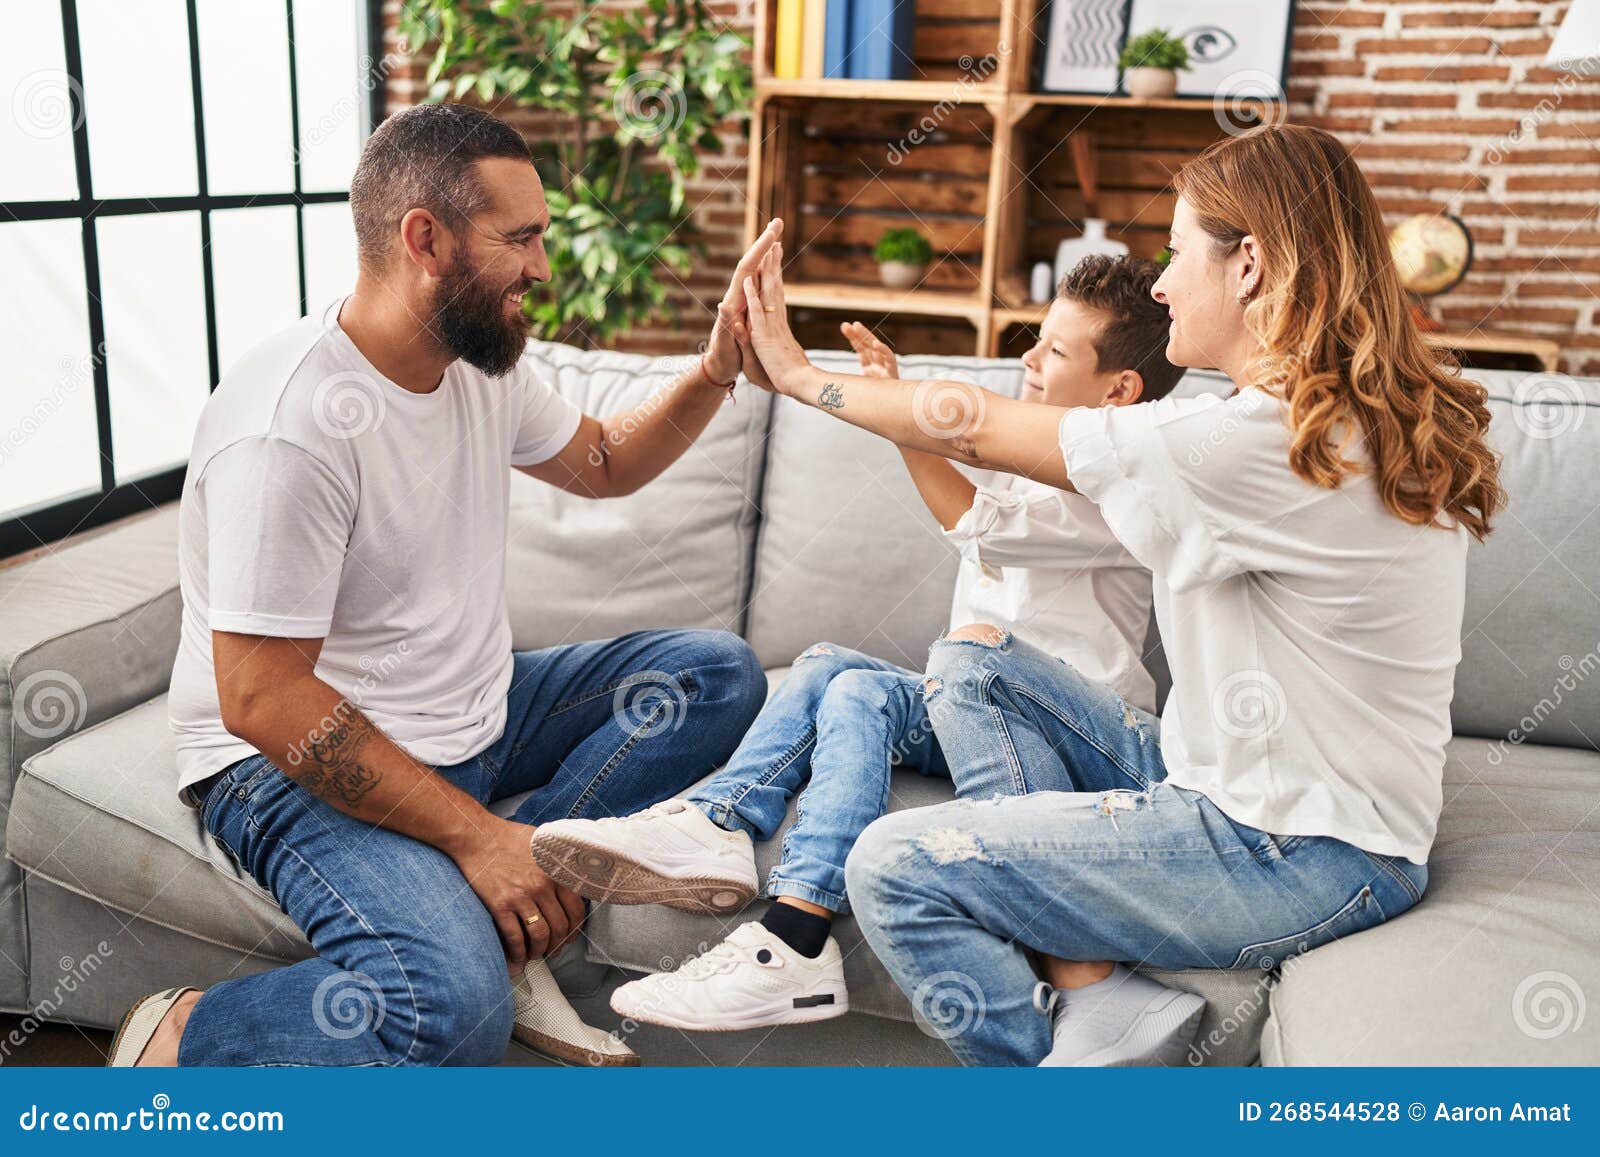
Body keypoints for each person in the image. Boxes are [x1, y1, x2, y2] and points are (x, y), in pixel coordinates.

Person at [730, 123, 1505, 1066]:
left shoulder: (1261, 444)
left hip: (1301, 850)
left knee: (895, 863)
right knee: (975, 654)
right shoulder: (1315, 416)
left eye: (1178, 253)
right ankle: (1087, 988)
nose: (1165, 282)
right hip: (1243, 789)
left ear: (1251, 264)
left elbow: (974, 428)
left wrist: (803, 377)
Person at [106, 104, 777, 1068]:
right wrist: (477, 840)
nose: (543, 268)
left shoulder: (476, 363)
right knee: (453, 1013)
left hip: (475, 716)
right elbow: (261, 698)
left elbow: (602, 462)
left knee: (714, 672)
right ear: (426, 237)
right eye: (521, 239)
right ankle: (183, 1031)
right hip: (282, 761)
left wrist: (714, 370)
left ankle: (519, 884)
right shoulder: (290, 428)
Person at [524, 256, 1186, 1035]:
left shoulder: (1119, 481)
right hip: (972, 703)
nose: (1028, 361)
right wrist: (900, 412)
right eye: (1034, 343)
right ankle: (723, 834)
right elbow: (972, 486)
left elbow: (973, 517)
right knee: (834, 668)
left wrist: (879, 407)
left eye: (1055, 352)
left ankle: (791, 934)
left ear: (1120, 391)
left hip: (1067, 728)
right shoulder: (1032, 457)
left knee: (863, 688)